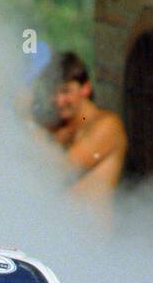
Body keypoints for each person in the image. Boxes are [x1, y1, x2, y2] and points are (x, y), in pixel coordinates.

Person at [43, 51, 127, 201]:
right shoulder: (55, 127)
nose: (58, 100)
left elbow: (59, 172)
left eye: (65, 91)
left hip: (88, 225)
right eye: (53, 92)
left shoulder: (107, 125)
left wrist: (26, 122)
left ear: (85, 88)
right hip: (53, 223)